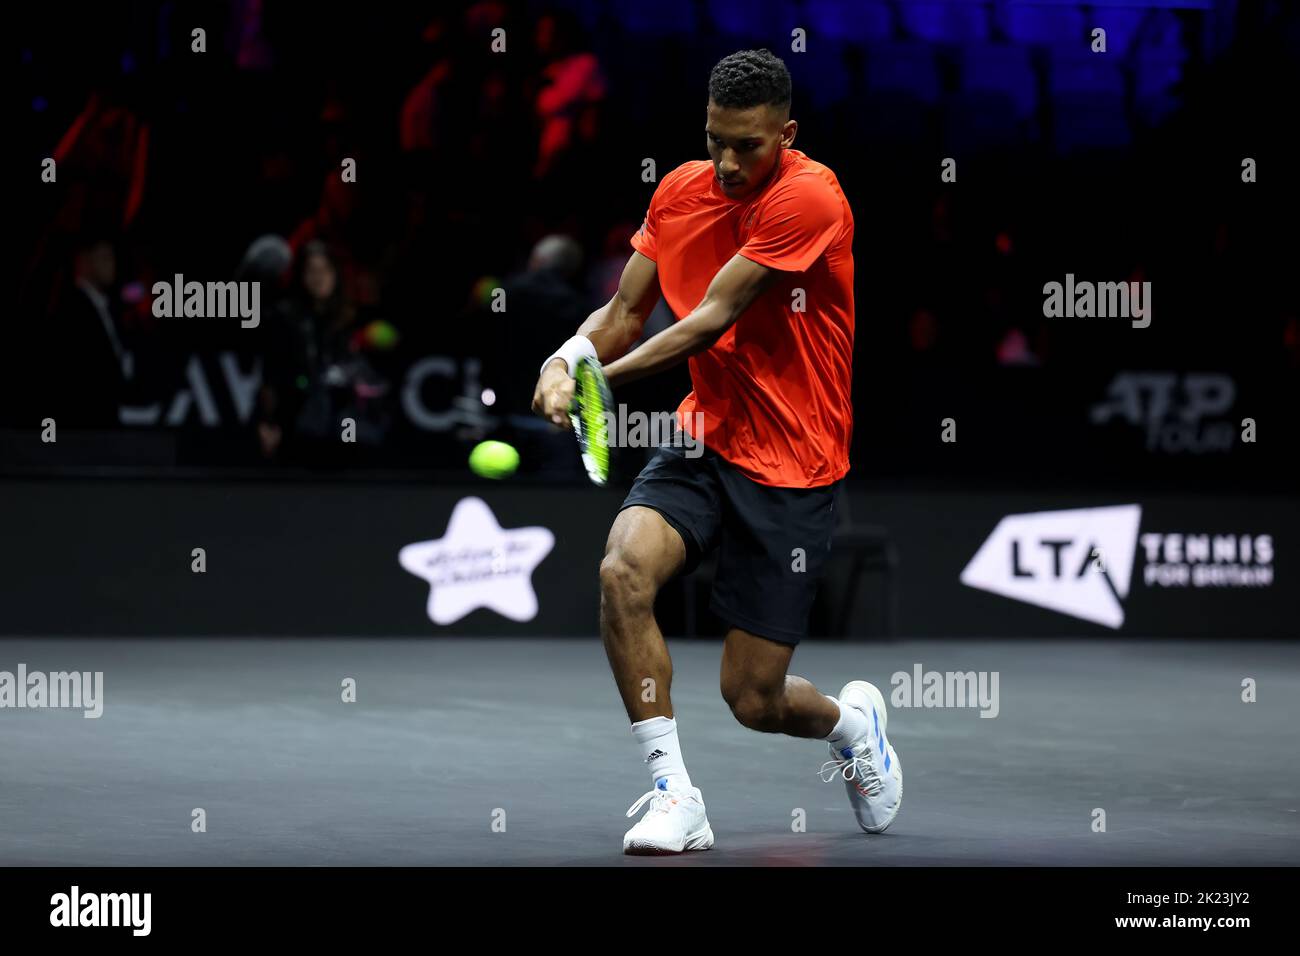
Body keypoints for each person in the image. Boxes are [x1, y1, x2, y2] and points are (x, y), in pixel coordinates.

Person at [532, 49, 901, 854]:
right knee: (621, 570)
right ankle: (675, 794)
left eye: (749, 146)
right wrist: (566, 354)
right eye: (715, 143)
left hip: (795, 463)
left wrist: (597, 383)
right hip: (708, 432)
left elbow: (708, 319)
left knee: (753, 698)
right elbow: (625, 309)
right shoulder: (679, 193)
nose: (729, 164)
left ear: (787, 134)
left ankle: (853, 728)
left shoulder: (811, 197)